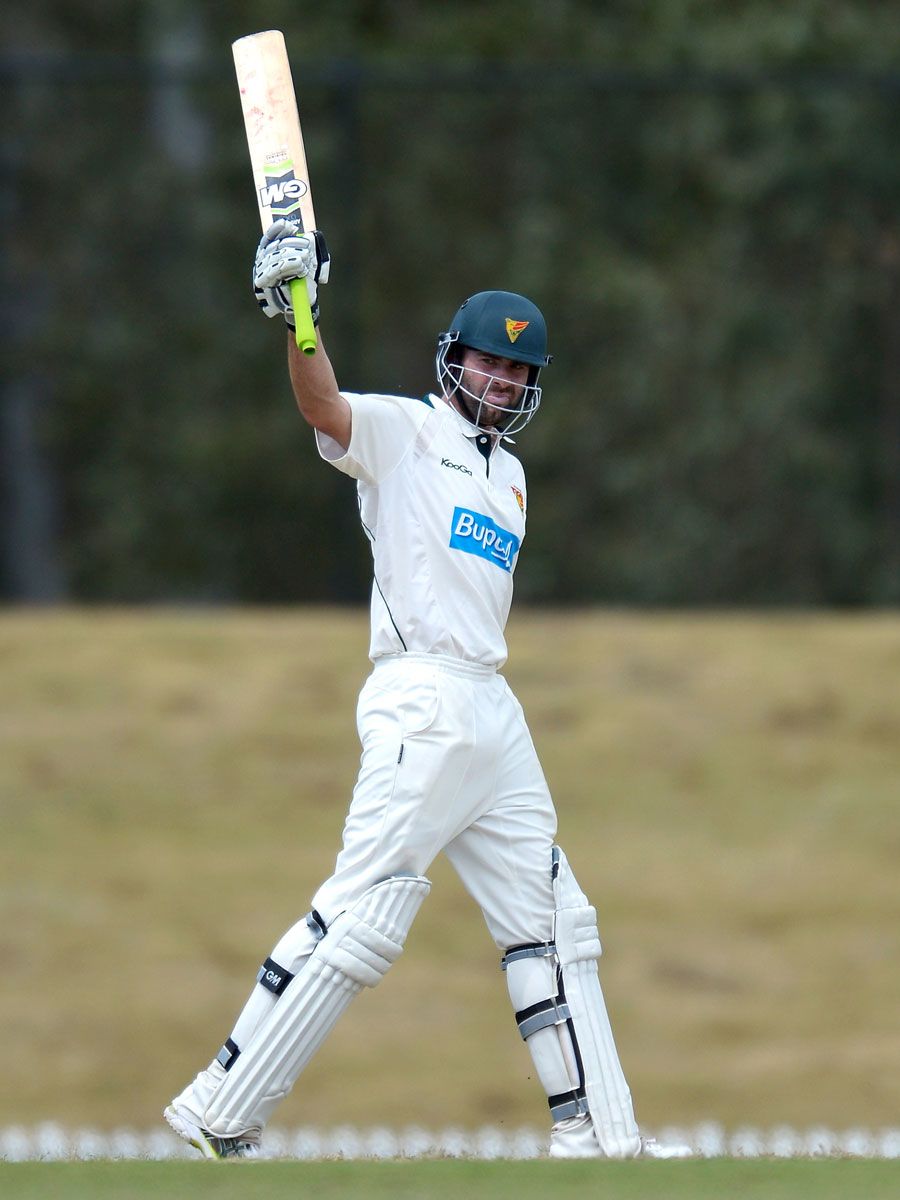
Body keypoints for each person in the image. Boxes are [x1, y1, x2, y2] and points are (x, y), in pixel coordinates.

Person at [163, 220, 690, 1162]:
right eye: (489, 367)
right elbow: (322, 408)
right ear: (454, 365)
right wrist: (299, 317)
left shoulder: (514, 476)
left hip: (494, 707)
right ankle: (218, 1107)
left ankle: (601, 1137)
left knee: (556, 919)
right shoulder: (408, 433)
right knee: (364, 912)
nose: (503, 385)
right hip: (420, 700)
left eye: (519, 376)